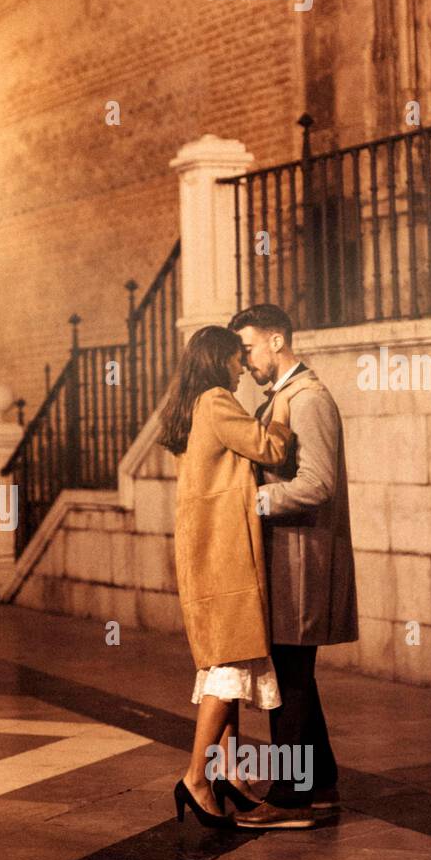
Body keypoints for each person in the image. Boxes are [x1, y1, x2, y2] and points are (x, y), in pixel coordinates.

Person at [156, 325, 294, 828]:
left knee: (227, 660)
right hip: (223, 554)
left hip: (206, 550)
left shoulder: (191, 404)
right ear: (219, 360)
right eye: (237, 358)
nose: (242, 367)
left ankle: (231, 772)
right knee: (227, 665)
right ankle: (196, 777)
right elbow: (270, 448)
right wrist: (281, 407)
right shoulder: (216, 400)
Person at [227, 303, 358, 829]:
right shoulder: (283, 397)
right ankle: (319, 785)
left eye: (250, 348)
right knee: (296, 674)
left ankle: (290, 800)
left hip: (303, 560)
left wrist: (253, 501)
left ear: (277, 340)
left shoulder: (308, 399)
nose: (246, 360)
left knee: (290, 677)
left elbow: (318, 483)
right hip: (289, 559)